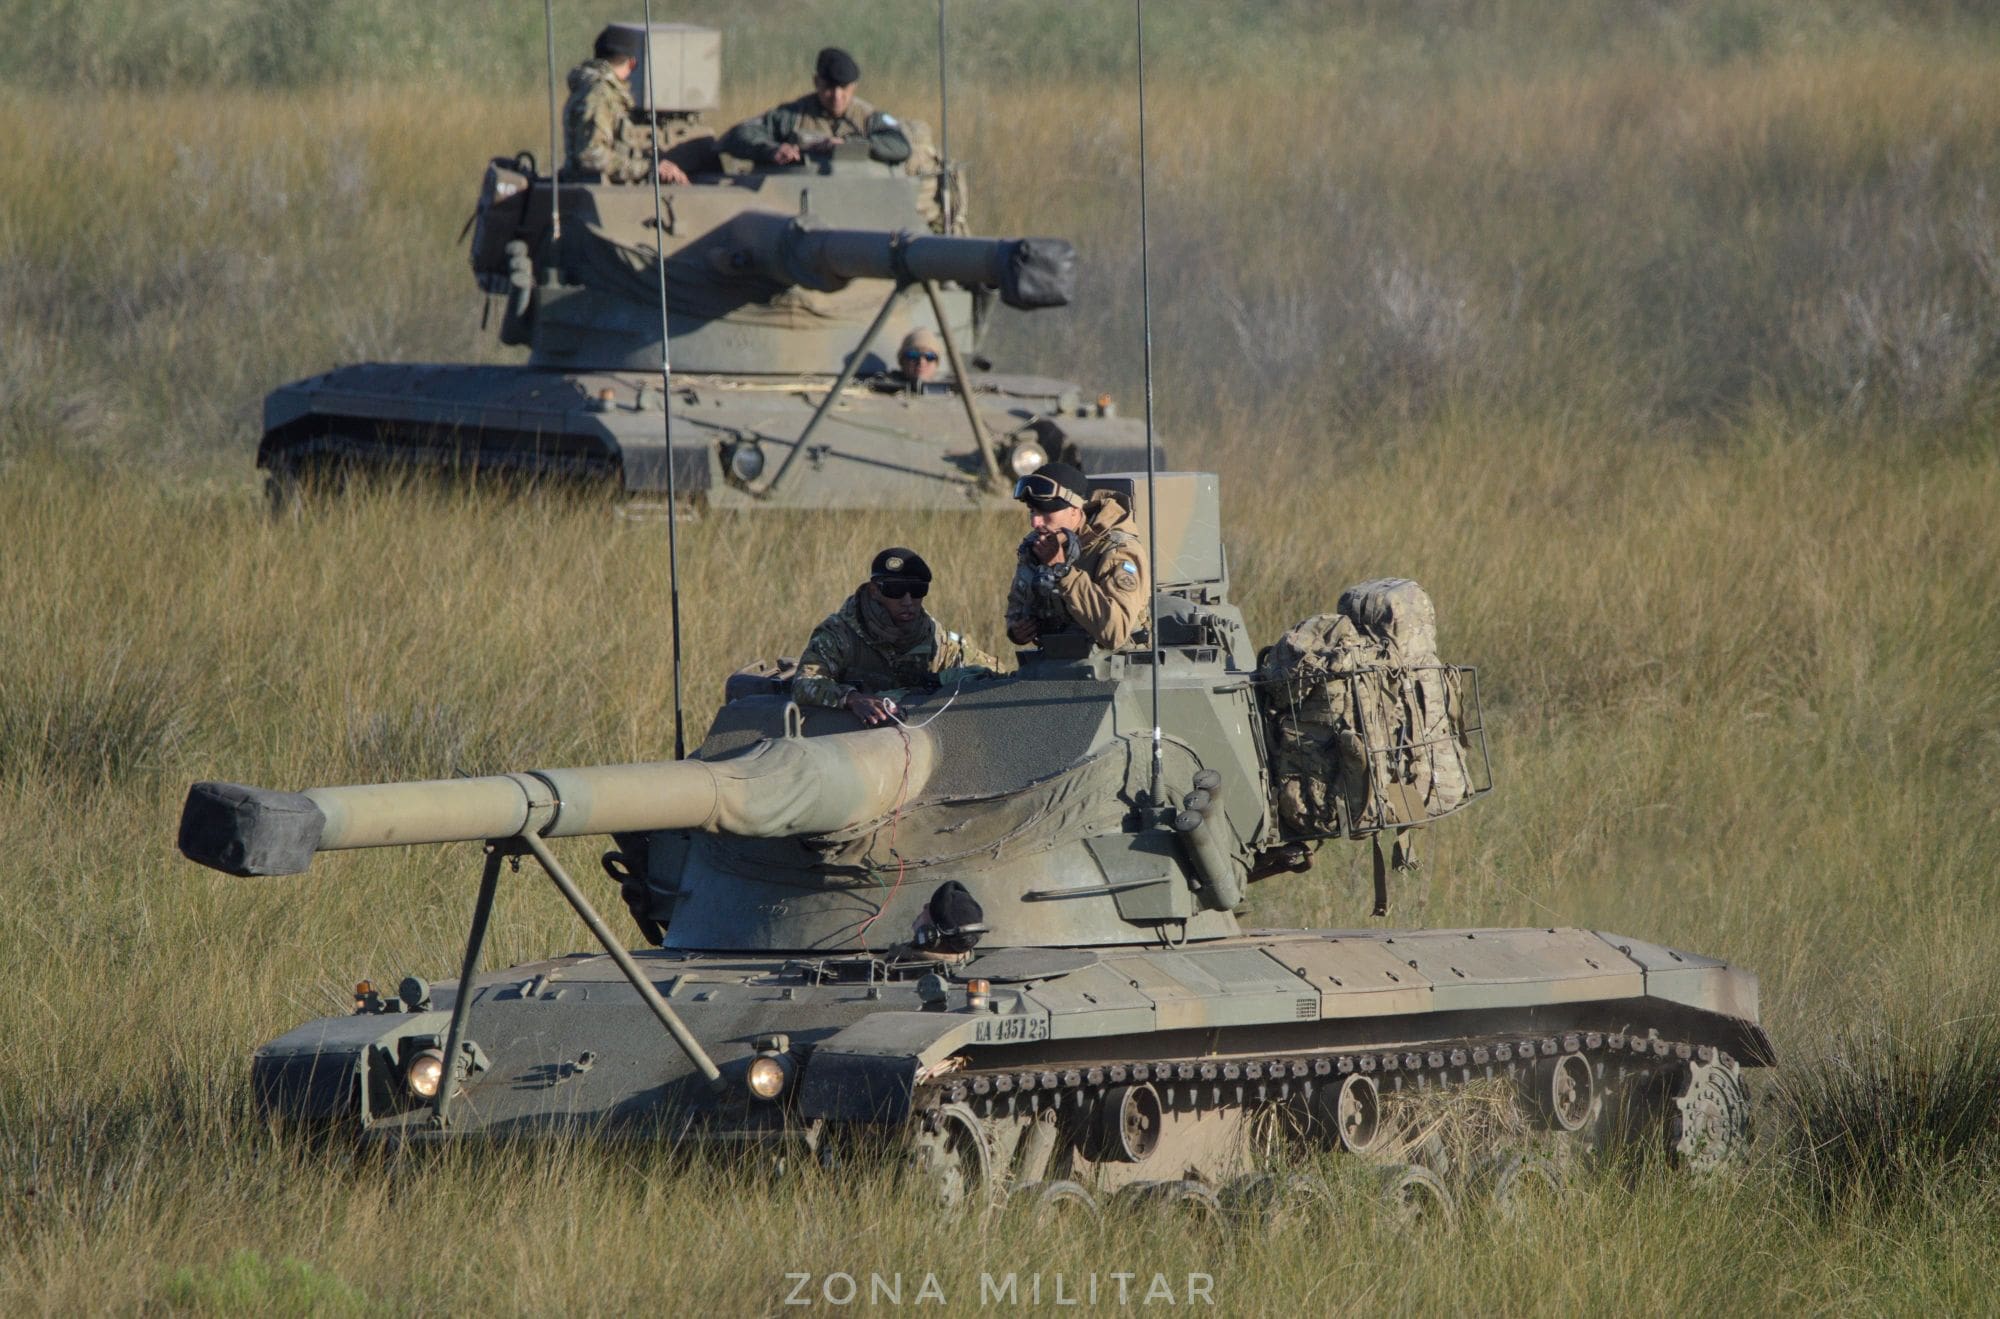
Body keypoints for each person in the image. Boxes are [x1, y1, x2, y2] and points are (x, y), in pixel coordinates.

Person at [793, 548, 1000, 725]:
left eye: (918, 590)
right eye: (896, 590)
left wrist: (944, 680)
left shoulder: (934, 638)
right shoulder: (839, 634)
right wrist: (852, 698)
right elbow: (805, 682)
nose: (908, 601)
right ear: (874, 591)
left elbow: (993, 670)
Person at [1004, 462, 1150, 652]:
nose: (1035, 522)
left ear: (1075, 509)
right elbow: (1017, 604)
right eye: (1032, 511)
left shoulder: (1117, 550)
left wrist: (1063, 572)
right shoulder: (1037, 547)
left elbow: (1116, 632)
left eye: (1046, 512)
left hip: (1116, 665)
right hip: (1055, 661)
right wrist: (1016, 630)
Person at [720, 46, 911, 169]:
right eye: (829, 87)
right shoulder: (792, 116)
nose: (837, 96)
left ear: (854, 87)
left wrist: (851, 145)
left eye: (843, 88)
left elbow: (900, 146)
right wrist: (772, 149)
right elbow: (739, 134)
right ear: (816, 82)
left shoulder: (870, 118)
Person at [561, 25, 690, 185]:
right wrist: (647, 168)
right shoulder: (600, 94)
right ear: (631, 63)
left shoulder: (591, 88)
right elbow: (592, 155)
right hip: (597, 192)